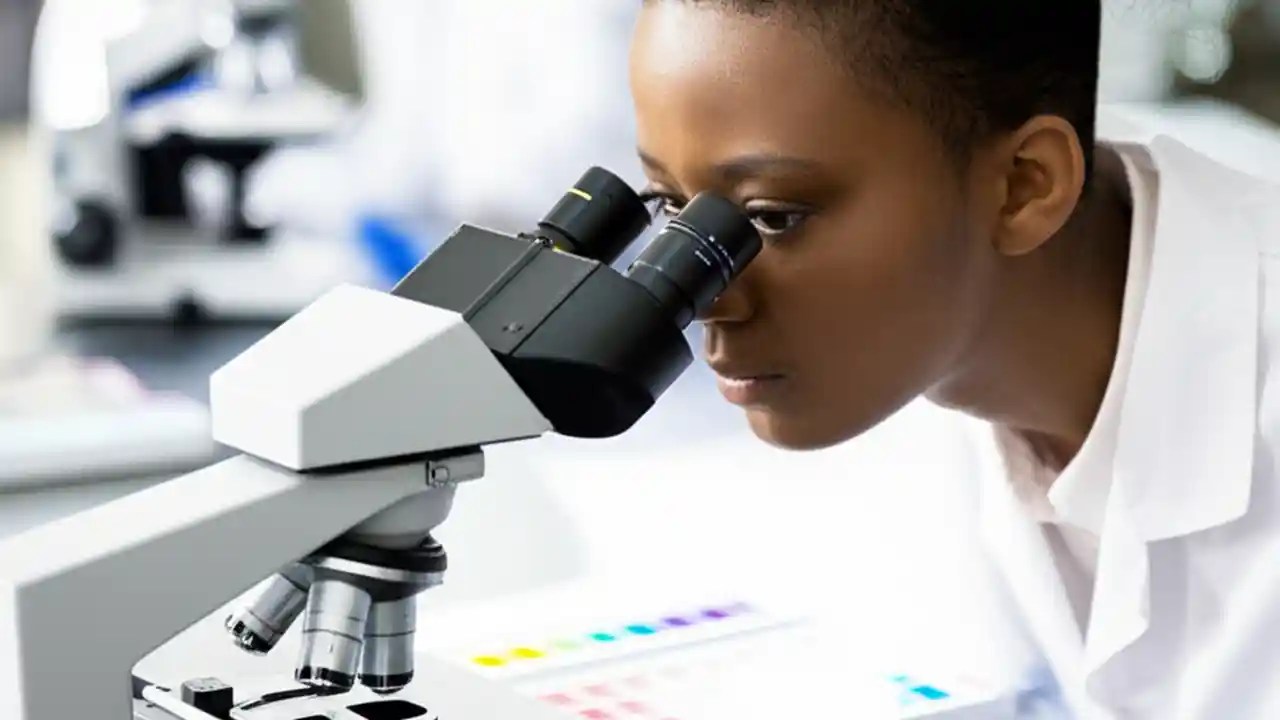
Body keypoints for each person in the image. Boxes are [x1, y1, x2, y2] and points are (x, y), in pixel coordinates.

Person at [627, 1, 1280, 717]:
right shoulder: (898, 382)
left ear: (1026, 185)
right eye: (668, 205)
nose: (707, 300)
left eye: (772, 217)